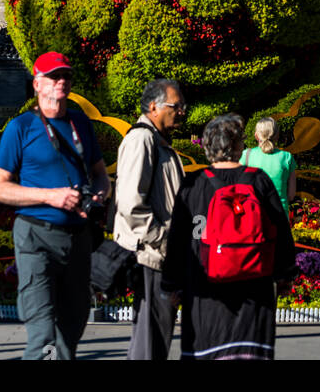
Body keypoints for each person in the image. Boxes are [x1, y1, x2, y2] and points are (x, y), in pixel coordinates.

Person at [0, 51, 110, 360]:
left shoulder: (81, 123)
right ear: (37, 85)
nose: (62, 81)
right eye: (54, 76)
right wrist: (50, 196)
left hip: (78, 237)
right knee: (43, 334)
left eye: (66, 76)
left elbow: (100, 175)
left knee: (73, 325)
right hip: (35, 236)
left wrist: (97, 196)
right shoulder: (21, 127)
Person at [161, 113, 296, 361]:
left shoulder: (194, 184)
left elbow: (177, 239)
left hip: (204, 294)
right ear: (238, 146)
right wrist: (285, 276)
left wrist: (171, 284)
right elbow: (281, 233)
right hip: (254, 295)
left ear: (207, 146)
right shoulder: (259, 181)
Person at [114, 78, 186, 361]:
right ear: (154, 106)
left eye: (183, 106)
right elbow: (131, 205)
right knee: (151, 339)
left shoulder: (156, 140)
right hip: (152, 256)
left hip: (159, 255)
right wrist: (165, 241)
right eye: (176, 106)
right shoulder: (141, 140)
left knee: (152, 338)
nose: (182, 111)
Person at [239, 117, 297, 212]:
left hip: (253, 215)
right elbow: (291, 195)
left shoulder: (246, 155)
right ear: (277, 136)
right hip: (279, 217)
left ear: (256, 136)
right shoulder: (287, 157)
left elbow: (239, 189)